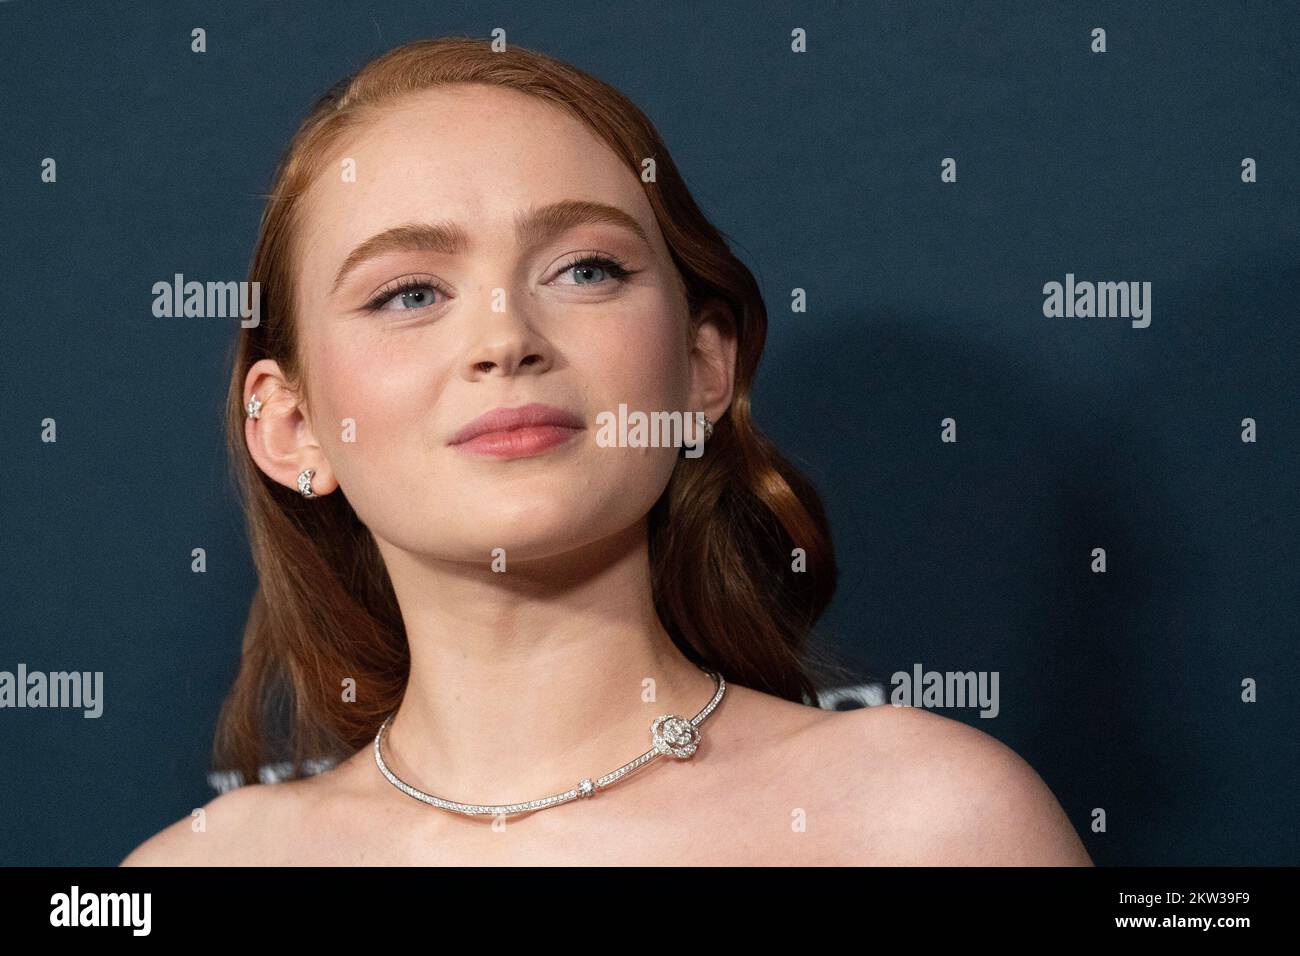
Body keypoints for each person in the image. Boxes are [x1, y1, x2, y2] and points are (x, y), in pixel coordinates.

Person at [122, 36, 1092, 866]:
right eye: (409, 293)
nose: (506, 338)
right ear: (290, 426)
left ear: (702, 367)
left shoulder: (928, 826)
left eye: (585, 268)